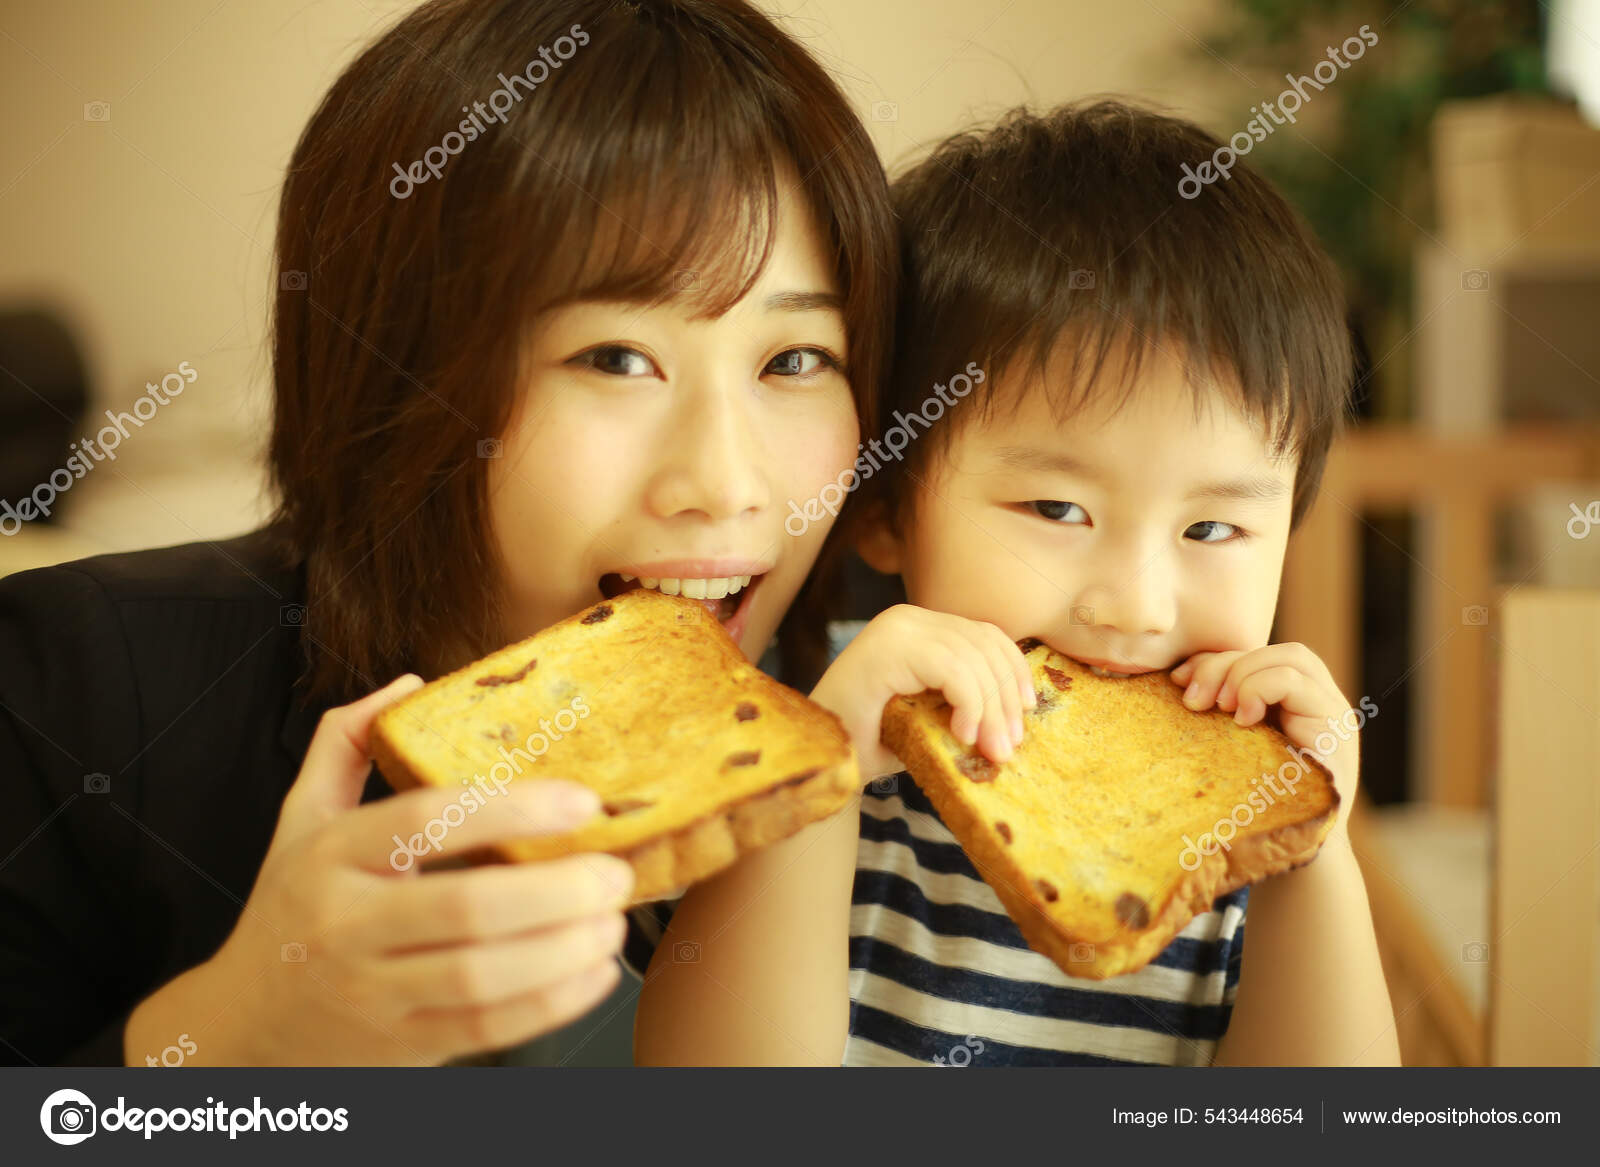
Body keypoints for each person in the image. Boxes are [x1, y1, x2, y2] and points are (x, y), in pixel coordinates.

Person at [0, 0, 894, 1067]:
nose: (726, 483)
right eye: (614, 357)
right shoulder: (77, 687)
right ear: (395, 373)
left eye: (794, 360)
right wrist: (236, 1033)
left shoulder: (929, 698)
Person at [630, 99, 1400, 1066]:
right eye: (1057, 511)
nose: (1135, 606)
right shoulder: (783, 729)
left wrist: (1308, 852)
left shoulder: (1234, 824)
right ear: (884, 506)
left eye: (1212, 527)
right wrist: (818, 783)